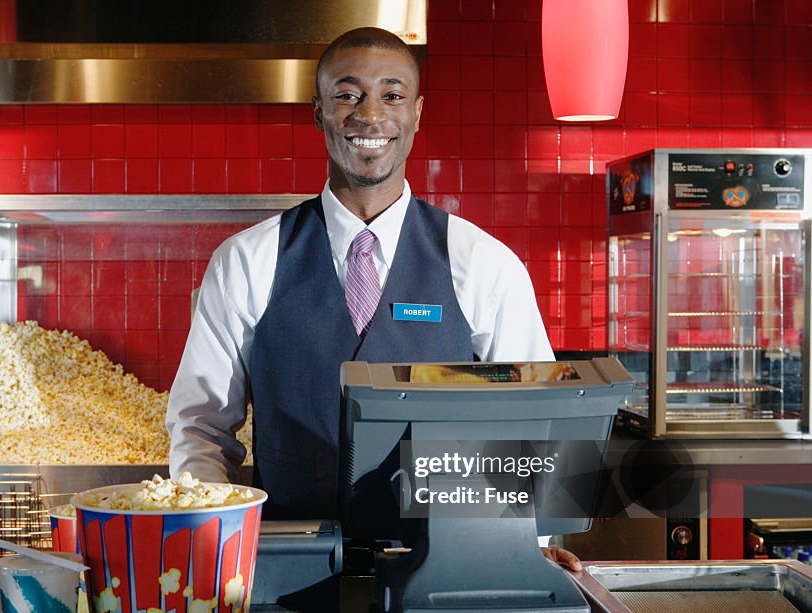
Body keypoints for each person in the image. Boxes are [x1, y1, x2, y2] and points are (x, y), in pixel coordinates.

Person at [167, 27, 580, 571]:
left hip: (445, 572)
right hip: (283, 571)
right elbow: (200, 427)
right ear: (318, 112)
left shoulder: (483, 263)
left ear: (416, 112)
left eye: (391, 95)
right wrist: (214, 541)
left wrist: (525, 553)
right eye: (347, 94)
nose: (369, 115)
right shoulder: (245, 261)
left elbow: (531, 428)